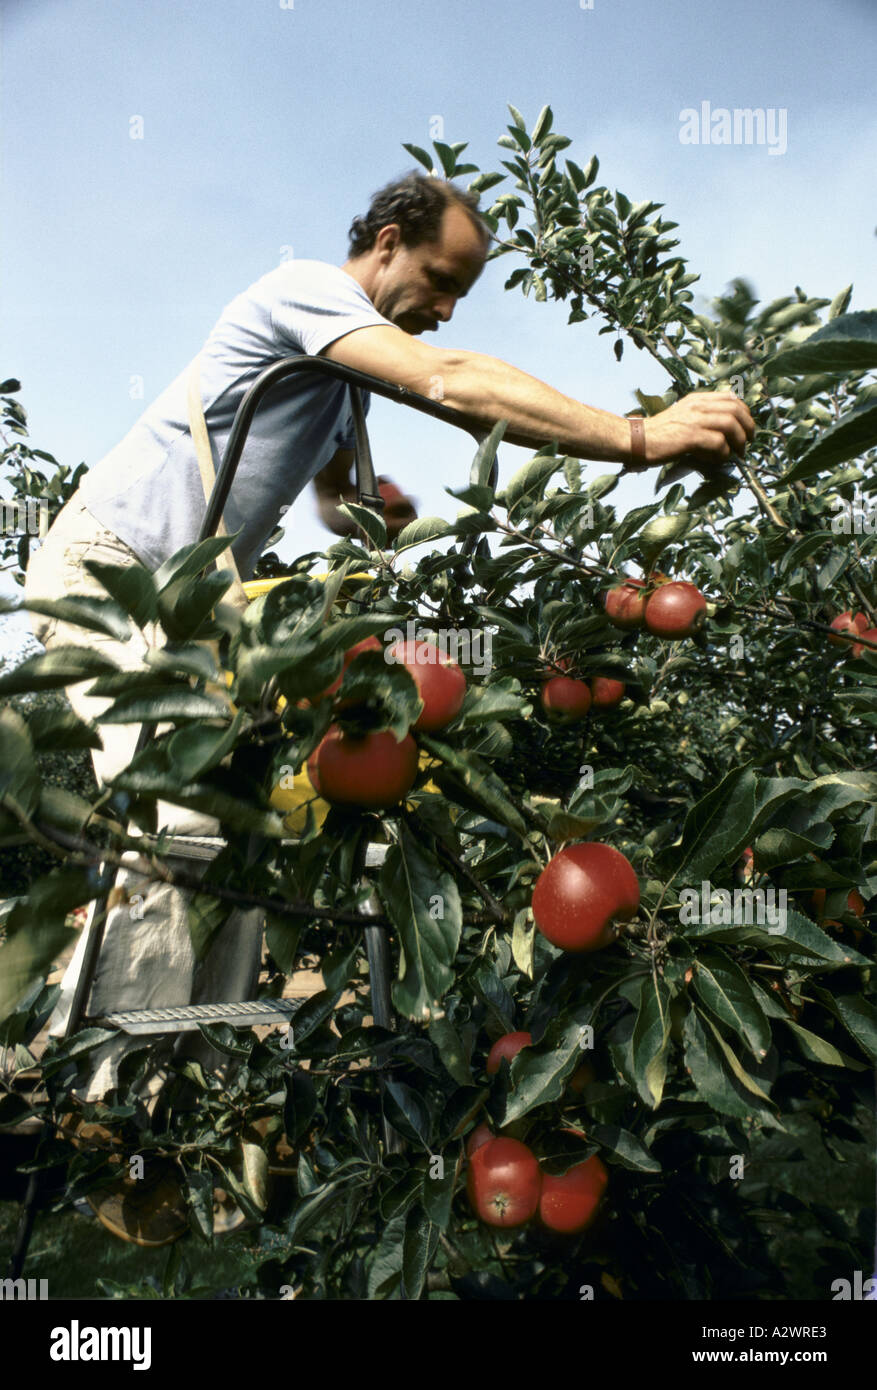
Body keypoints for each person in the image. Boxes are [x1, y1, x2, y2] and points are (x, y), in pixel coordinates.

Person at [25, 171, 755, 1106]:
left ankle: (202, 1089)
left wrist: (381, 527)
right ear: (386, 241)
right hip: (111, 569)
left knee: (250, 827)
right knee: (184, 814)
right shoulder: (301, 293)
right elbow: (450, 382)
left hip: (187, 609)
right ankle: (94, 1085)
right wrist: (636, 437)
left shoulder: (340, 390)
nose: (445, 310)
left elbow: (338, 499)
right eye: (441, 280)